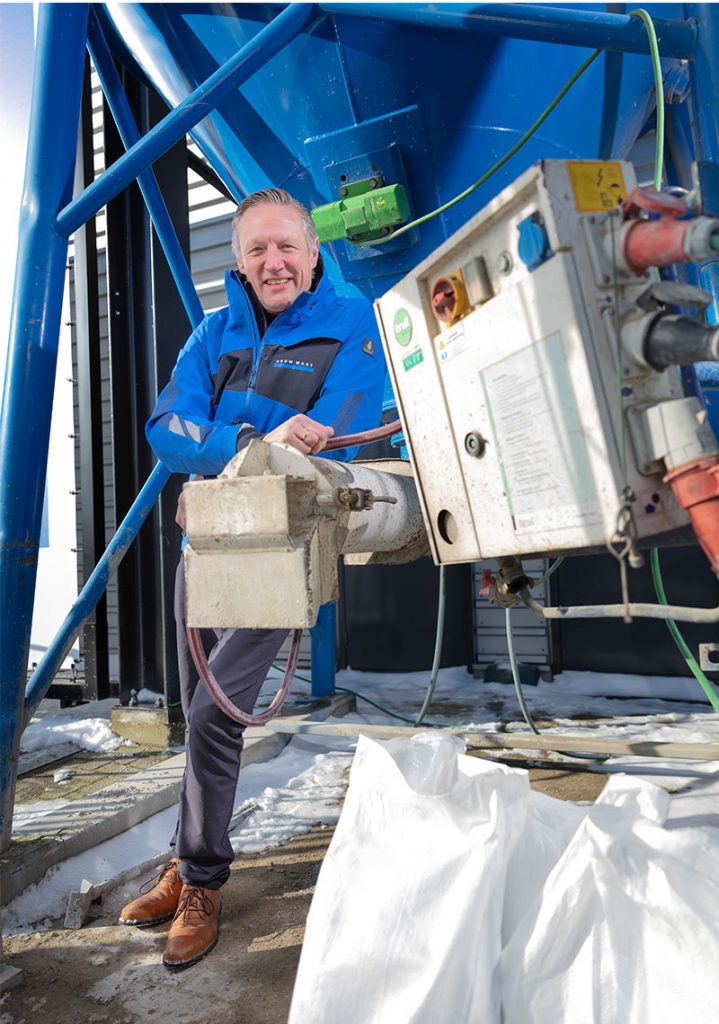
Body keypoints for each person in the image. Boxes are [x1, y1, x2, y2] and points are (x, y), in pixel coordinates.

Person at [117, 188, 386, 970]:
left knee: (214, 712)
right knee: (191, 708)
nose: (272, 262)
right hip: (206, 542)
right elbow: (168, 429)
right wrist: (253, 438)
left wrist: (232, 446)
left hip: (283, 546)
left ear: (311, 253)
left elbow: (333, 440)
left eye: (284, 248)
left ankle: (201, 881)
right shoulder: (213, 334)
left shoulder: (351, 325)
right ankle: (185, 859)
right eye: (255, 250)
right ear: (239, 260)